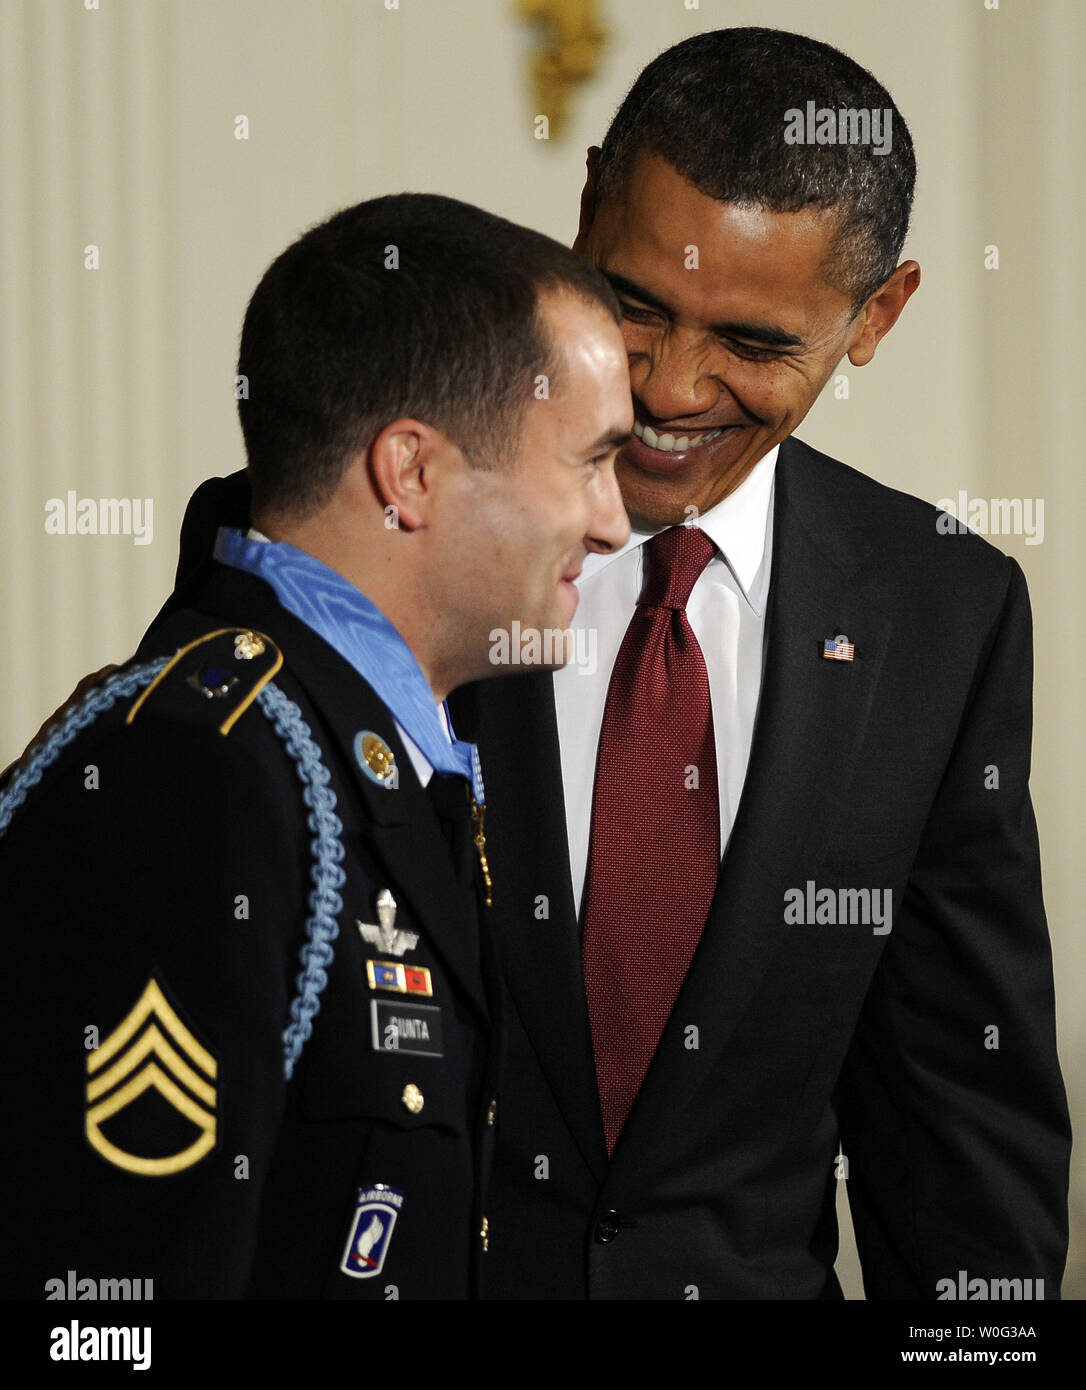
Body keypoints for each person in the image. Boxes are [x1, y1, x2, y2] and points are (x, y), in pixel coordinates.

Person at [38, 27, 1073, 1302]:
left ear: (876, 315)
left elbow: (962, 1132)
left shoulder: (942, 608)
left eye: (752, 342)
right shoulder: (352, 546)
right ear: (585, 208)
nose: (672, 386)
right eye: (638, 306)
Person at [0, 192, 631, 1299]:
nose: (614, 520)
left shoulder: (383, 747)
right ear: (413, 472)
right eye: (589, 460)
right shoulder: (202, 771)